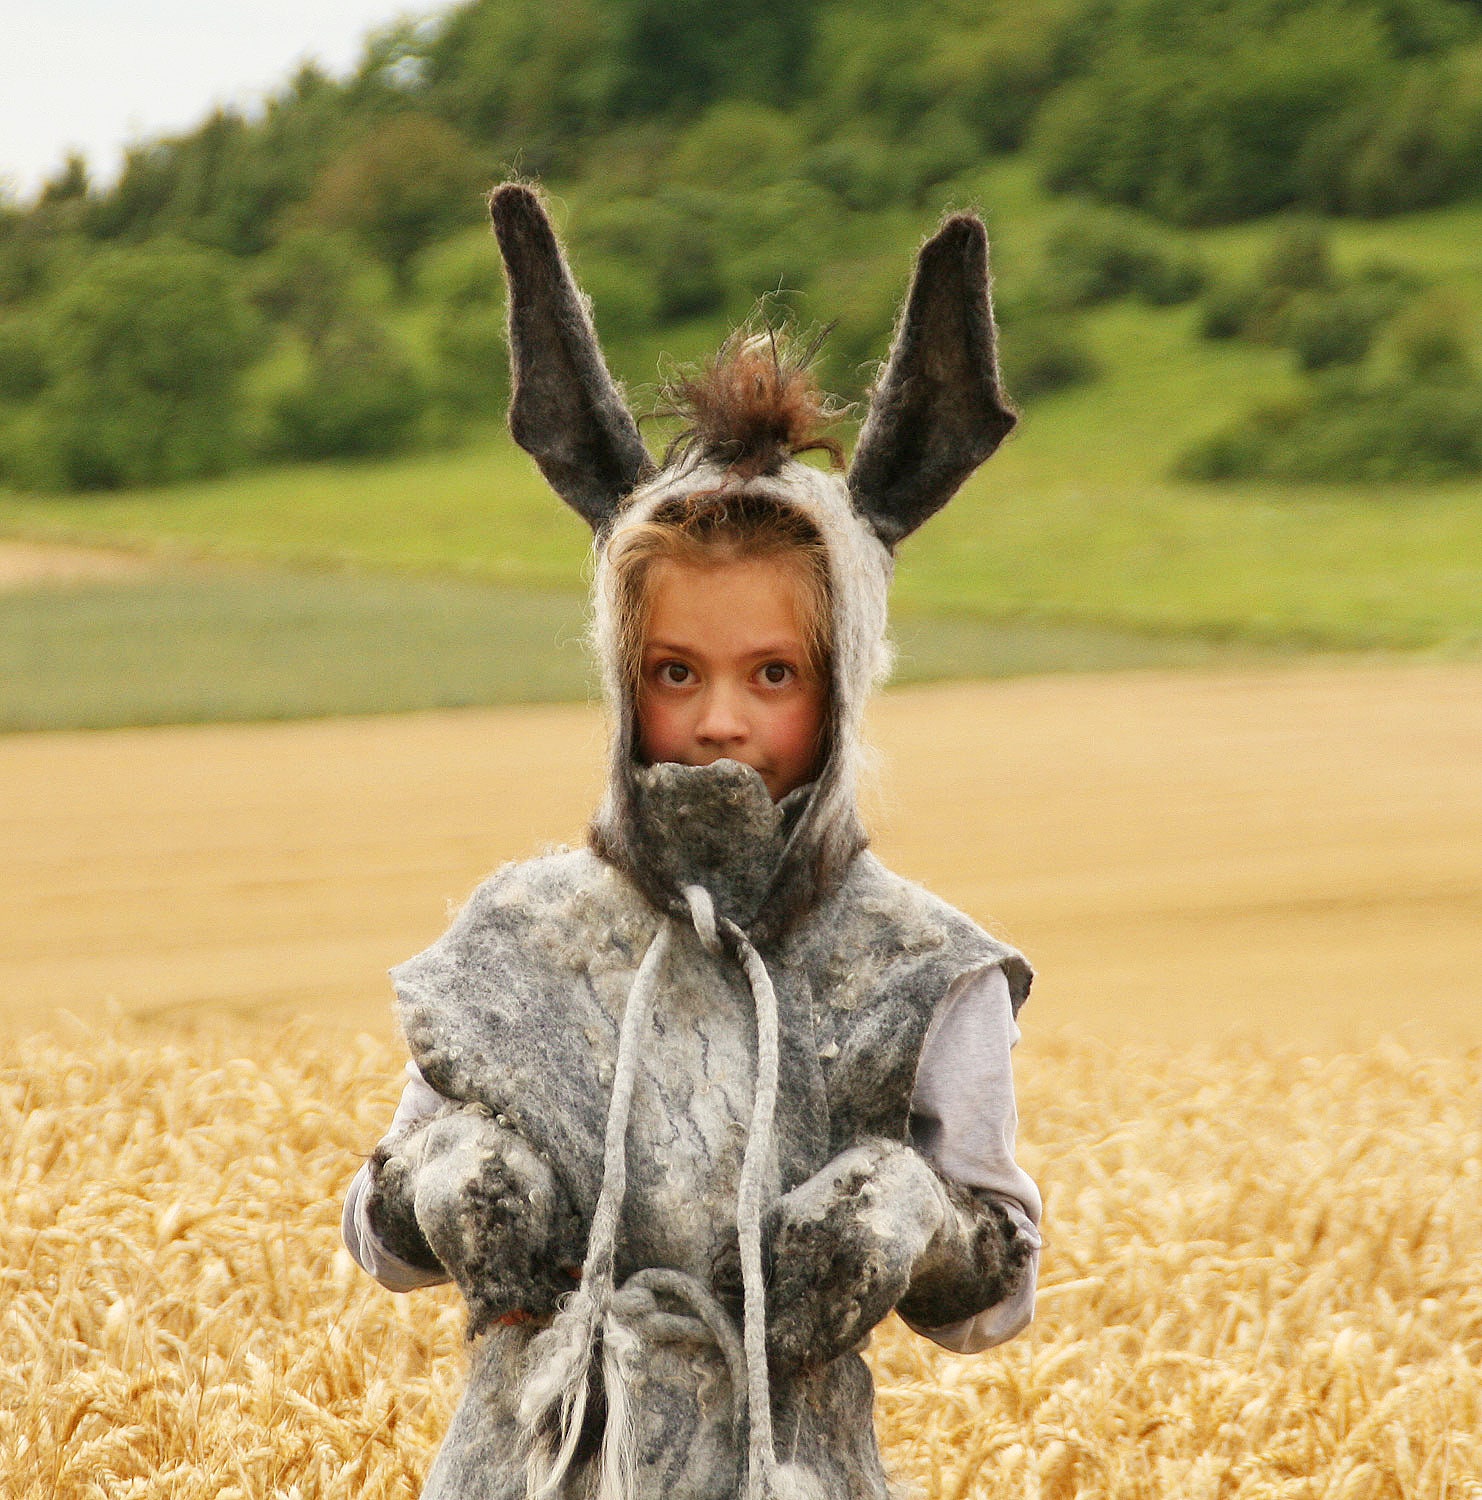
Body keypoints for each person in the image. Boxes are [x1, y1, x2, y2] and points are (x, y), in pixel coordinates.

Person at [341, 183, 1040, 1500]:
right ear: (624, 681)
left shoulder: (915, 965)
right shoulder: (520, 940)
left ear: (840, 682)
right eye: (674, 672)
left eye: (771, 675)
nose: (719, 720)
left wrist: (910, 1223)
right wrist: (433, 1180)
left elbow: (991, 1290)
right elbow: (376, 1238)